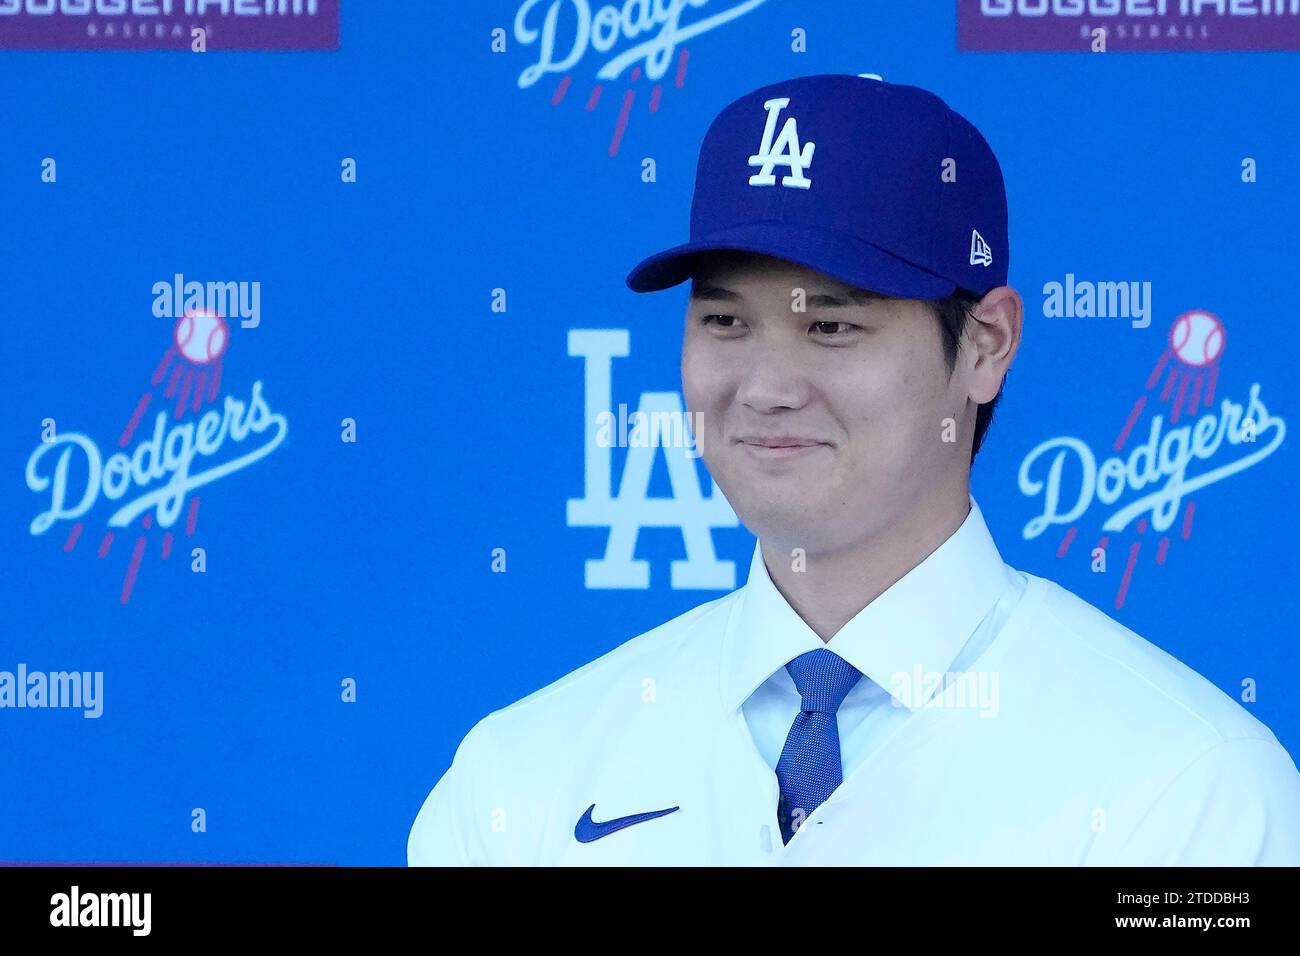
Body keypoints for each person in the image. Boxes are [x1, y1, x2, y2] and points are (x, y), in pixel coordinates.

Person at [408, 73, 1300, 865]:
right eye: (724, 324)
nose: (764, 388)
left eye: (831, 326)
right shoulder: (520, 779)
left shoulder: (1188, 787)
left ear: (985, 346)